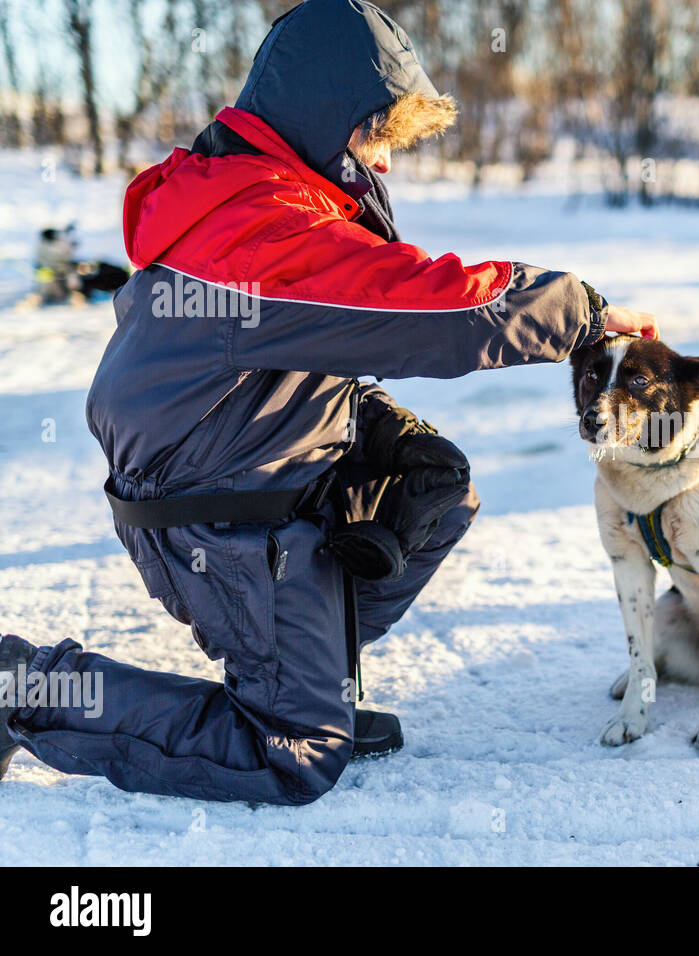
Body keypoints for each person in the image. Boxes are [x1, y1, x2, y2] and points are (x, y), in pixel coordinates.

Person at [0, 0, 654, 805]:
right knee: (293, 758)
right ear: (324, 118)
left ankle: (309, 683)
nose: (383, 163)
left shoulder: (254, 193)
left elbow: (310, 337)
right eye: (376, 135)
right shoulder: (260, 228)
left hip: (233, 447)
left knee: (429, 487)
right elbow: (426, 307)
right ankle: (29, 689)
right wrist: (576, 309)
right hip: (202, 507)